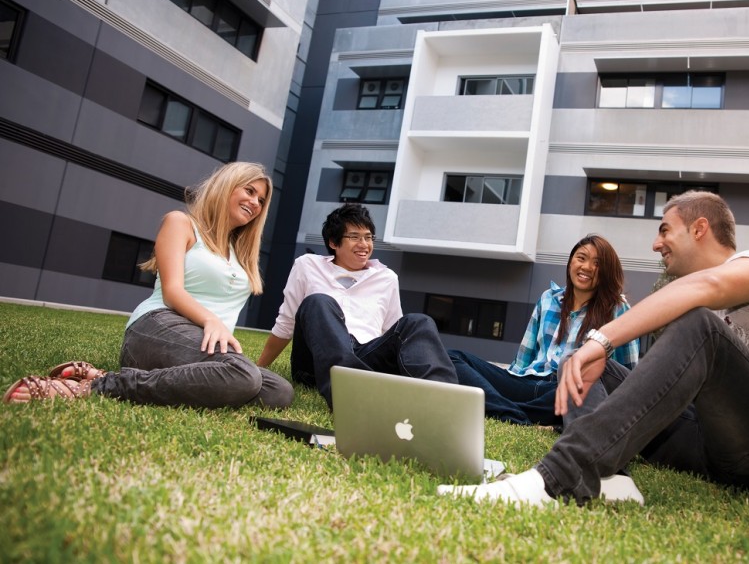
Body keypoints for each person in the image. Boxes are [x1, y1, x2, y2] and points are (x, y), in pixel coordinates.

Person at [438, 190, 749, 506]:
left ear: (699, 228)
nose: (656, 244)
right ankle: (612, 479)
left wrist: (602, 339)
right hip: (717, 450)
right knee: (580, 362)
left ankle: (559, 478)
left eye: (665, 229)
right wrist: (587, 353)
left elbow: (709, 286)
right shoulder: (693, 296)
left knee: (694, 327)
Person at [3, 162, 294, 408]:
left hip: (202, 351)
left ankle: (105, 376)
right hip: (157, 326)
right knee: (244, 374)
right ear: (226, 186)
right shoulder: (181, 223)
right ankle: (104, 386)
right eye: (250, 191)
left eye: (261, 200)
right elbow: (172, 291)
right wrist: (211, 320)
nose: (255, 203)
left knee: (278, 392)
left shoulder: (240, 252)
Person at [257, 203, 457, 408]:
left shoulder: (387, 278)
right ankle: (353, 398)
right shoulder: (307, 265)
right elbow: (287, 322)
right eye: (354, 237)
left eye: (368, 237)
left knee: (418, 321)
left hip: (365, 358)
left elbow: (393, 332)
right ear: (334, 242)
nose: (364, 244)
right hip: (315, 361)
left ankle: (443, 403)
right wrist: (258, 369)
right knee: (318, 301)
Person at [448, 234, 638, 428]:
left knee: (574, 393)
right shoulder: (548, 298)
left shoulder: (617, 309)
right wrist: (505, 382)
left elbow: (623, 378)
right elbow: (523, 358)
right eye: (581, 258)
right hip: (526, 382)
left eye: (597, 263)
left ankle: (503, 408)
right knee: (452, 358)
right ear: (571, 261)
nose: (587, 267)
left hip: (563, 391)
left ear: (606, 271)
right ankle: (513, 412)